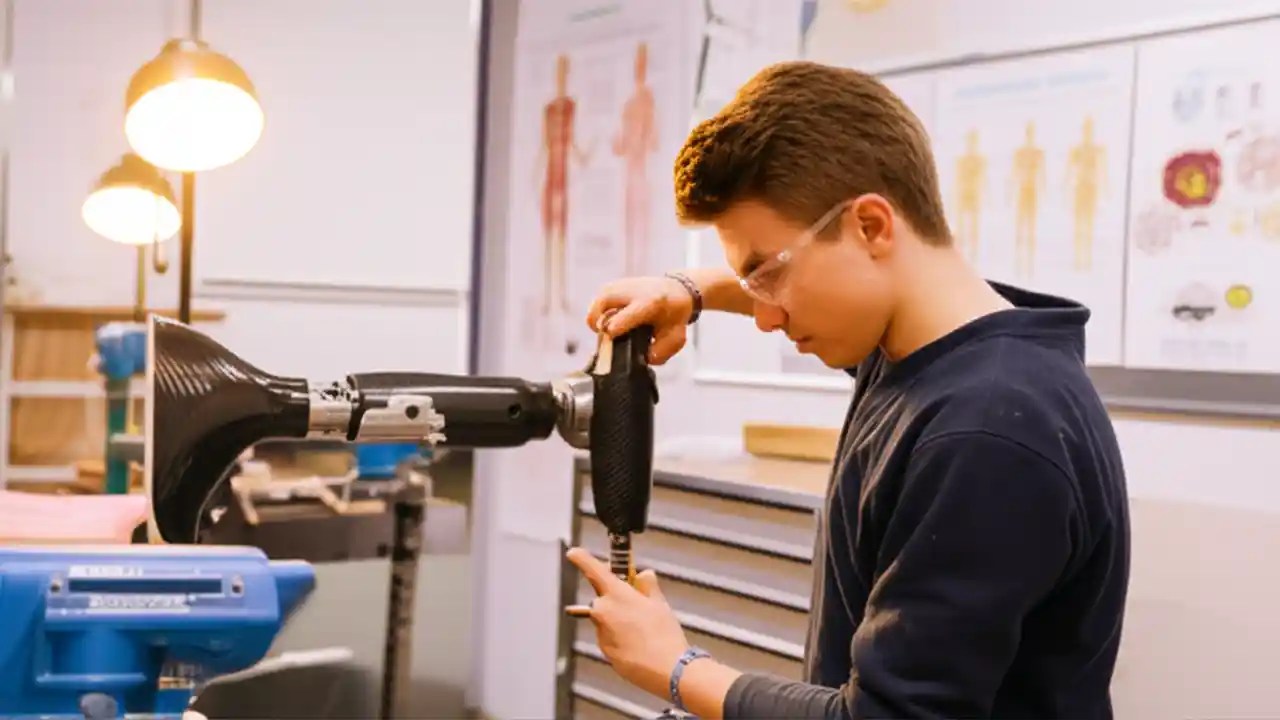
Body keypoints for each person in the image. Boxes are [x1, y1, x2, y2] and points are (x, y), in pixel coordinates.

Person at [566, 60, 1130, 719]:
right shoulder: (937, 358)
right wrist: (691, 292)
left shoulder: (984, 434)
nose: (768, 316)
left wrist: (676, 667)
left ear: (869, 226)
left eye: (768, 273)